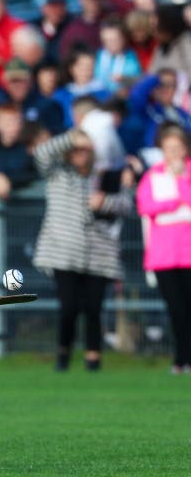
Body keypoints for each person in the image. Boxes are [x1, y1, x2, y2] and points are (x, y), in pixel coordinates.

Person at [32, 128, 132, 371]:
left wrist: (105, 202)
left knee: (94, 308)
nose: (81, 155)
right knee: (68, 308)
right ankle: (63, 355)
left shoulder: (105, 176)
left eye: (86, 150)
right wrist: (70, 137)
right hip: (63, 251)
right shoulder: (58, 174)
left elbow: (127, 203)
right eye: (76, 151)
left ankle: (93, 359)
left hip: (100, 254)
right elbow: (41, 153)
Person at [136, 123, 191, 374]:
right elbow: (146, 206)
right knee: (176, 310)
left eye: (178, 148)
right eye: (168, 148)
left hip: (188, 252)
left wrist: (180, 182)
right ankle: (181, 359)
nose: (173, 153)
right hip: (164, 256)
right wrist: (174, 202)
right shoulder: (153, 175)